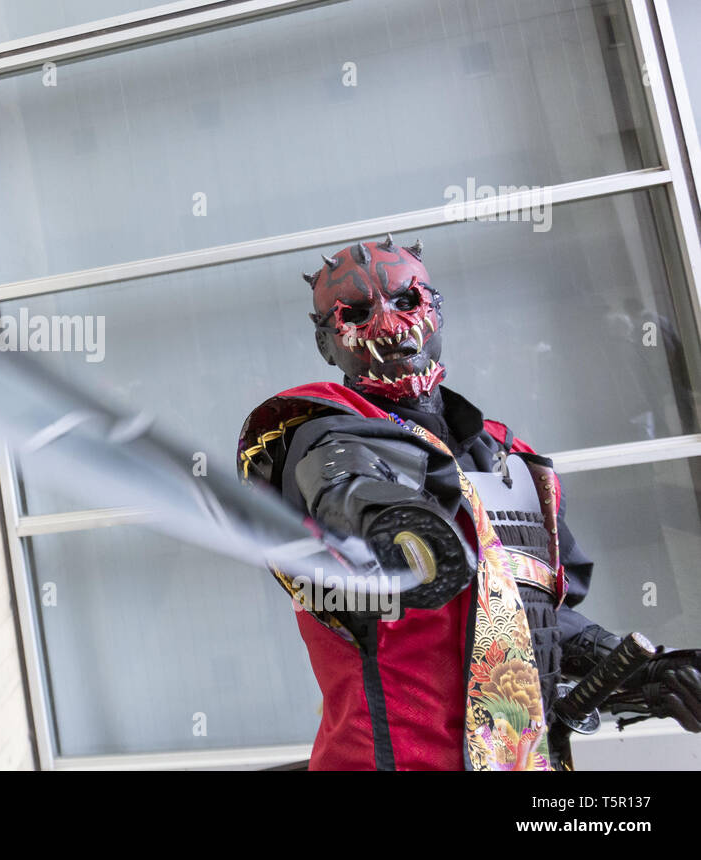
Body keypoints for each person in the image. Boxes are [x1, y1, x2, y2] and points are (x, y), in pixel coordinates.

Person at [237, 236, 701, 770]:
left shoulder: (507, 458)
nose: (389, 327)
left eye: (406, 301)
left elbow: (530, 619)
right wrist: (392, 525)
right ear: (326, 344)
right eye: (357, 314)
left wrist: (644, 670)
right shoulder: (323, 438)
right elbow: (346, 491)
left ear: (436, 310)